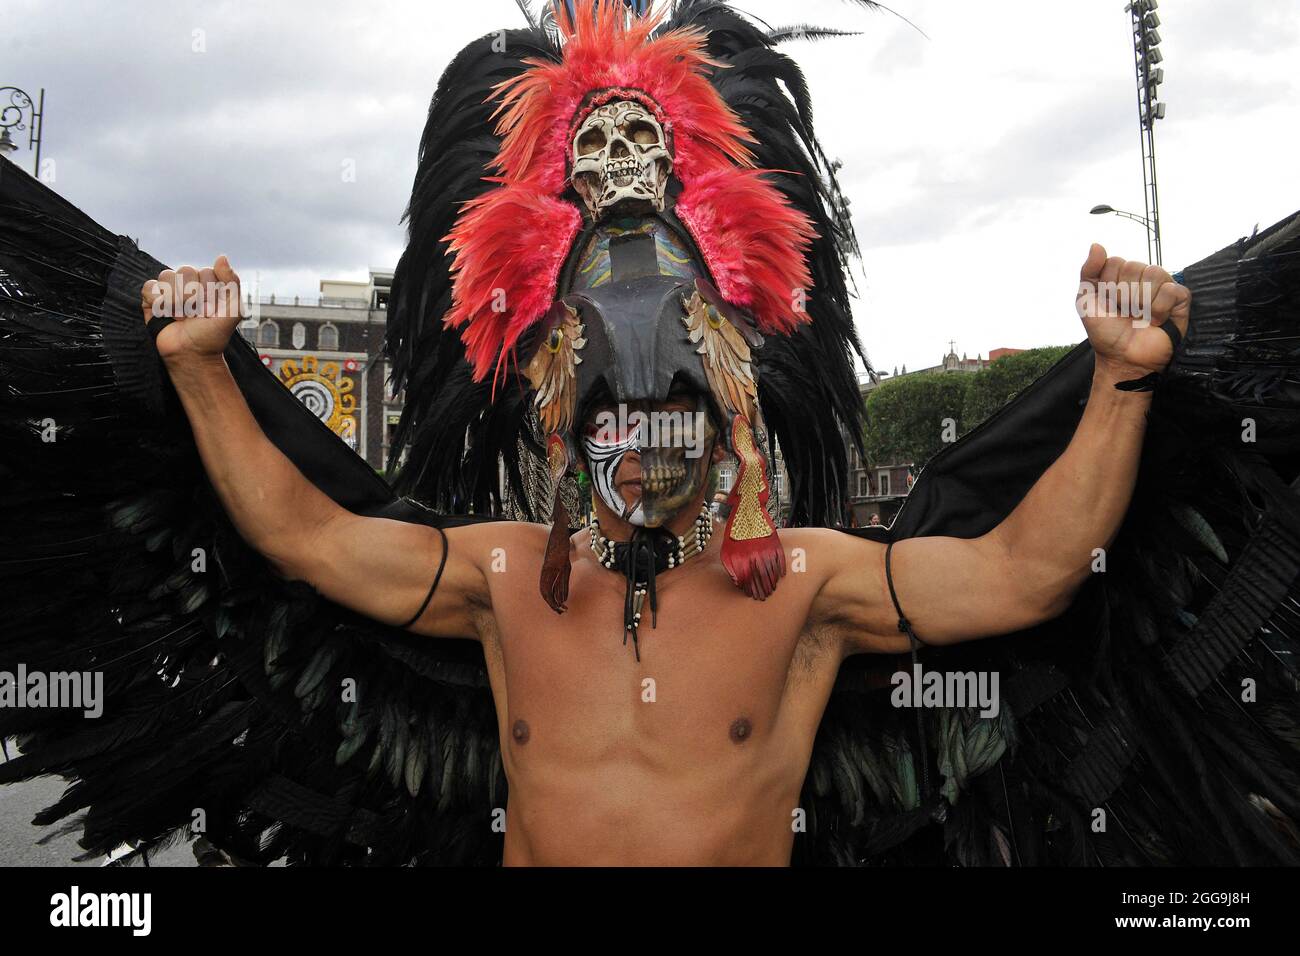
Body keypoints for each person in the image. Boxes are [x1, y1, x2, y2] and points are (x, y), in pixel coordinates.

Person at [141, 228, 1186, 864]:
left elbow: (1025, 575)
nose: (638, 450)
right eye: (612, 422)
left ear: (722, 416)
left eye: (666, 416)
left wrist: (1121, 381)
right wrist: (197, 368)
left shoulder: (808, 586)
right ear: (569, 426)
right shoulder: (498, 577)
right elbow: (306, 534)